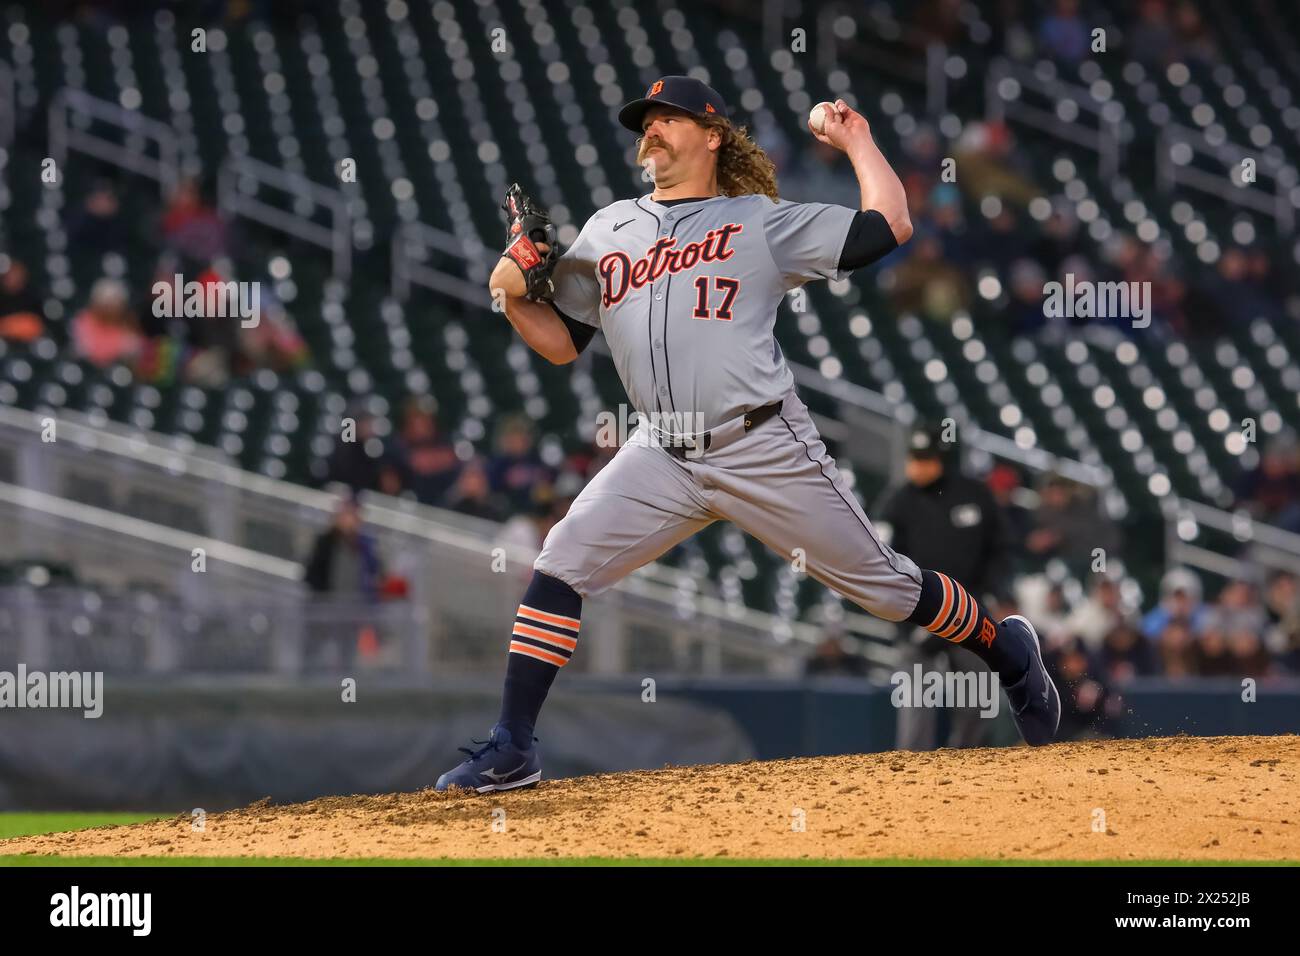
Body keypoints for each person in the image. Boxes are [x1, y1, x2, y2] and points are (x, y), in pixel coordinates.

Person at [434, 77, 1060, 793]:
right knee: (560, 562)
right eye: (647, 121)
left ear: (713, 135)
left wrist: (856, 139)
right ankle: (514, 746)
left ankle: (1007, 652)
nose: (654, 130)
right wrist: (511, 295)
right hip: (662, 449)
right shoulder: (607, 228)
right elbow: (560, 344)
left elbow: (889, 225)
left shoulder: (758, 221)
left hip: (761, 443)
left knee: (887, 589)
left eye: (670, 119)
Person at [875, 423, 1013, 751]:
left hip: (968, 611)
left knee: (978, 698)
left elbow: (1001, 549)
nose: (918, 466)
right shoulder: (897, 502)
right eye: (914, 458)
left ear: (943, 459)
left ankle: (967, 762)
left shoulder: (975, 496)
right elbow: (880, 559)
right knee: (915, 701)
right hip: (918, 614)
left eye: (927, 459)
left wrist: (994, 592)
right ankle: (911, 771)